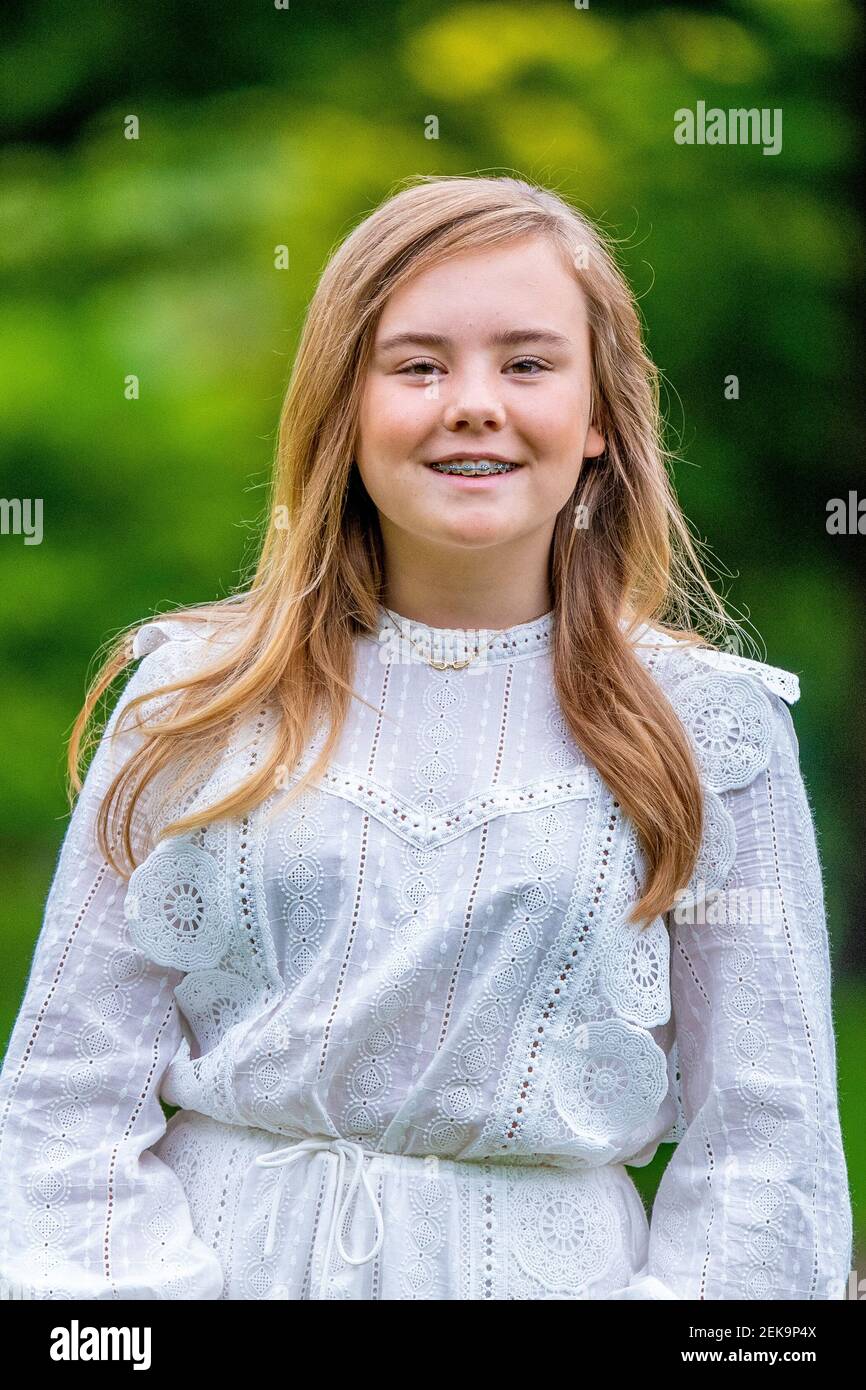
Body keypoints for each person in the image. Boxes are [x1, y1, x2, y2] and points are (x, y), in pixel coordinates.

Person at [0, 174, 853, 1300]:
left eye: (528, 362)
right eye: (416, 364)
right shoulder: (195, 699)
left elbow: (767, 1137)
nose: (472, 401)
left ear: (598, 417)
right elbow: (66, 1092)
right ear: (341, 408)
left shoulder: (708, 729)